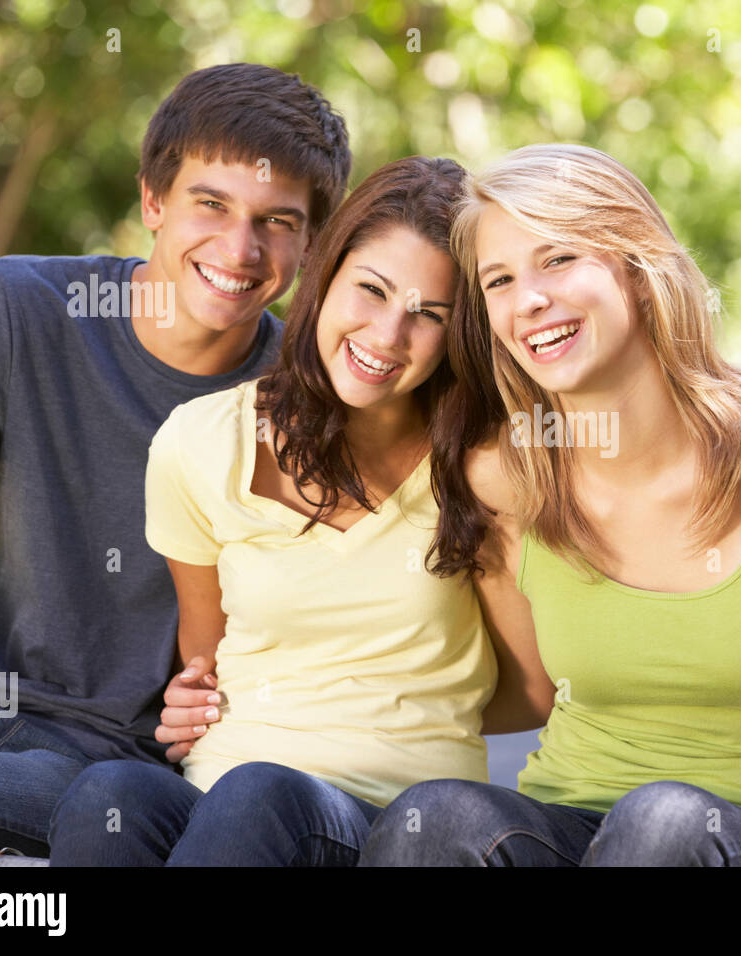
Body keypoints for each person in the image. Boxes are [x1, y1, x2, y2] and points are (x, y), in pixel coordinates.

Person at [358, 144, 741, 867]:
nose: (530, 300)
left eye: (558, 260)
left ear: (639, 271)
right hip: (569, 828)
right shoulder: (504, 477)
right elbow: (523, 693)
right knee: (438, 814)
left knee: (664, 820)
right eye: (499, 280)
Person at [0, 63, 350, 866]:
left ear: (312, 245)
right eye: (210, 204)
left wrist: (214, 699)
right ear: (153, 199)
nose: (240, 247)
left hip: (98, 764)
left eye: (278, 221)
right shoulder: (17, 310)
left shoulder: (310, 399)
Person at [46, 156, 511, 867]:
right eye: (372, 290)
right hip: (222, 795)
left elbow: (537, 688)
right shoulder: (199, 443)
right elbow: (205, 662)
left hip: (397, 815)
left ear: (458, 336)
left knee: (259, 796)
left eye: (428, 314)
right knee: (109, 793)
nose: (388, 335)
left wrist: (411, 708)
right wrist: (188, 701)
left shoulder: (484, 465)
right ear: (325, 279)